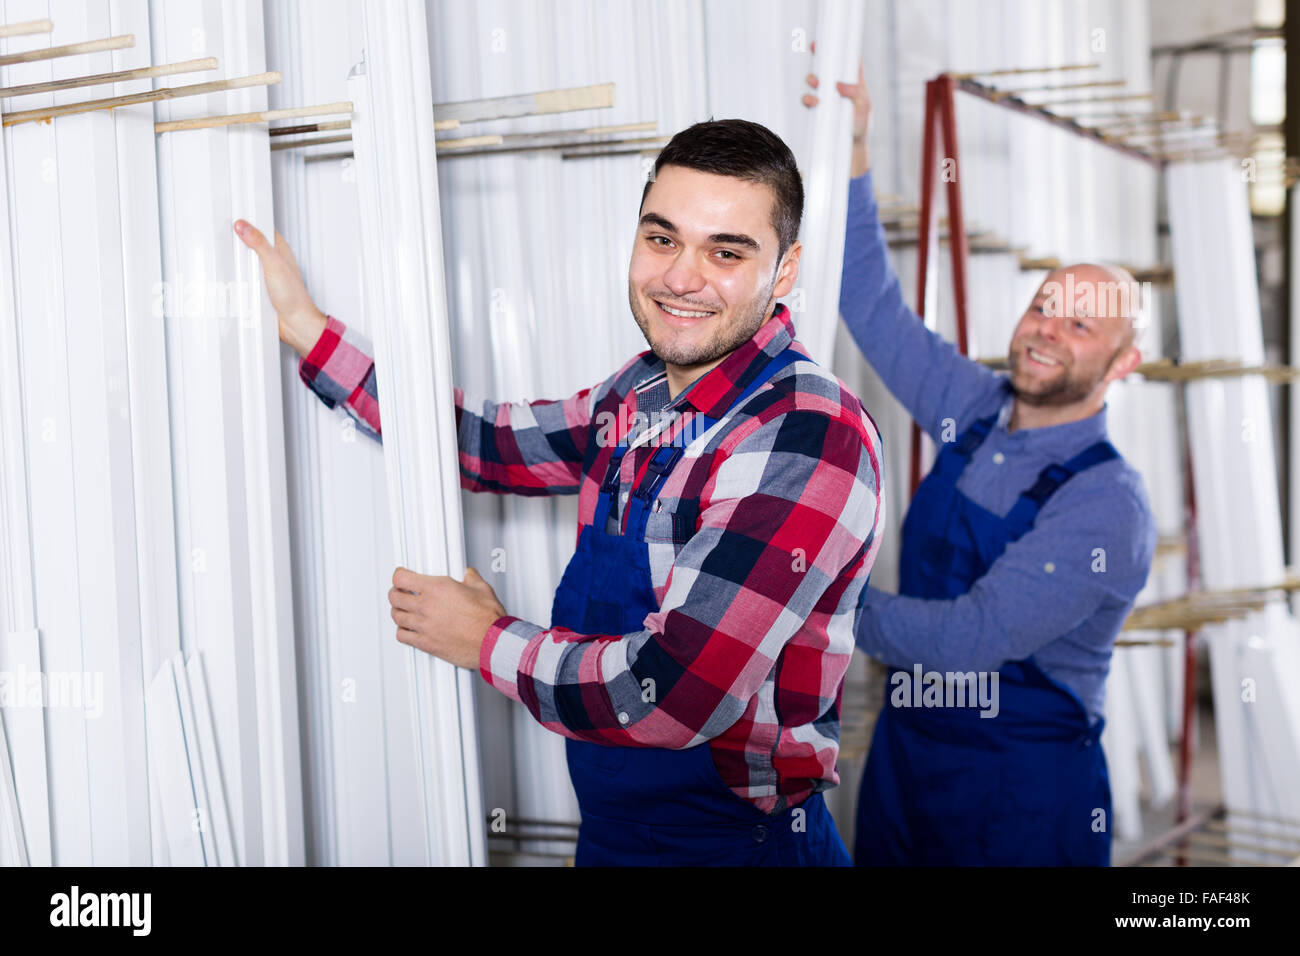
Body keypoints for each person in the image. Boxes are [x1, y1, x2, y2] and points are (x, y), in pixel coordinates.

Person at [236, 118, 885, 866]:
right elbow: (487, 443)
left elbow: (676, 694)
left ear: (785, 269)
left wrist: (483, 639)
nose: (680, 277)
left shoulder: (806, 430)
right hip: (615, 837)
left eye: (726, 252)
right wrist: (310, 332)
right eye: (662, 238)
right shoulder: (636, 395)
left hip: (738, 847)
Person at [804, 66, 1156, 865]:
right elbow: (870, 306)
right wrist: (855, 148)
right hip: (908, 763)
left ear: (1123, 363)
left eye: (1079, 327)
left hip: (1023, 795)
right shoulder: (977, 403)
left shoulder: (1108, 506)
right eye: (1043, 306)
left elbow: (972, 637)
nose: (1044, 332)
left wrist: (810, 598)